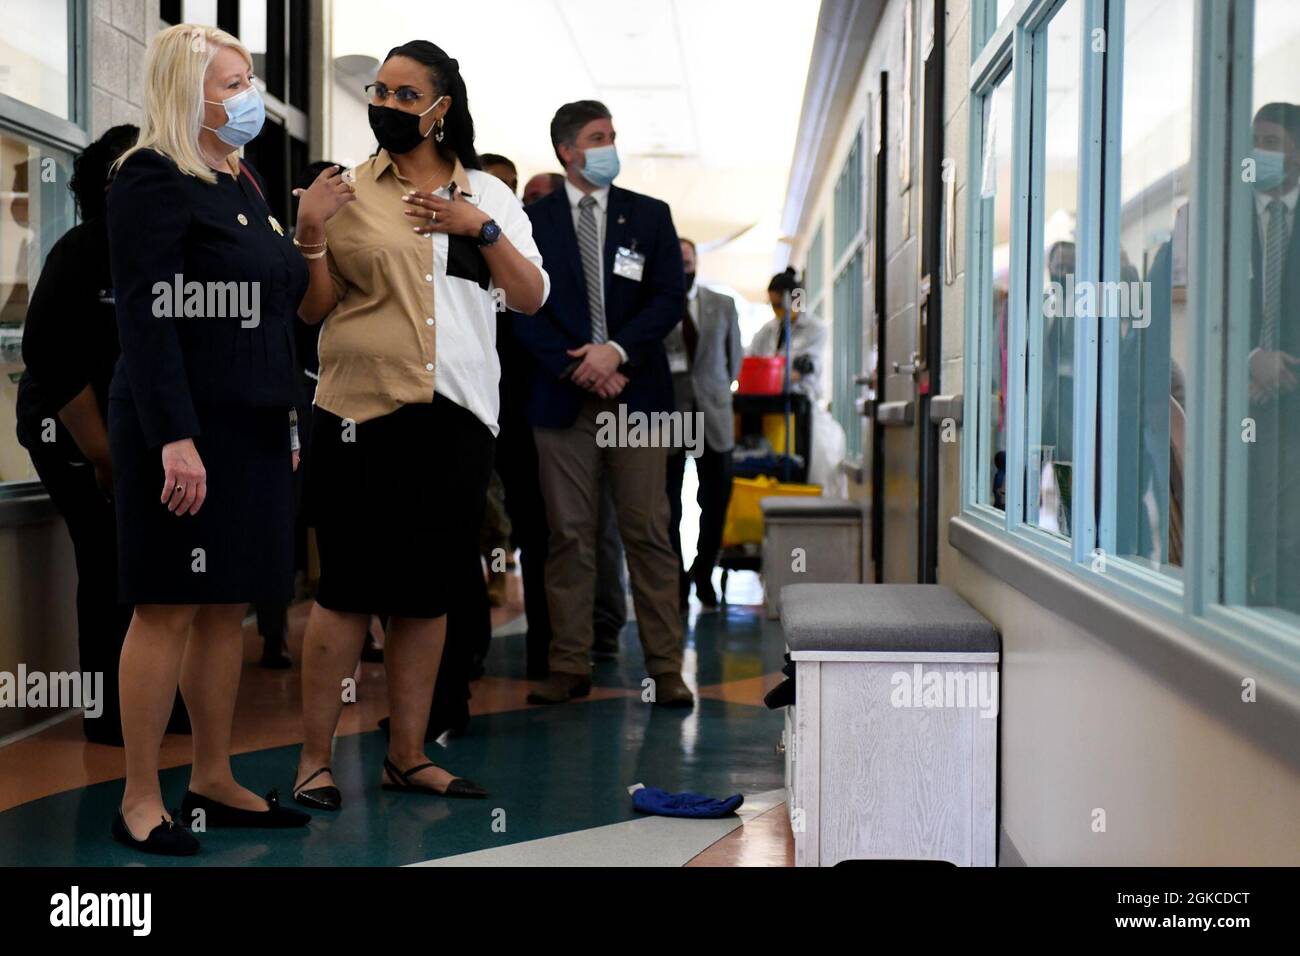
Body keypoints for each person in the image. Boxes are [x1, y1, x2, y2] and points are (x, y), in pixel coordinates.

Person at [292, 40, 547, 810]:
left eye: (408, 96)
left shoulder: (492, 200)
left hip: (457, 415)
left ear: (442, 109)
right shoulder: (342, 191)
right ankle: (314, 761)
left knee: (429, 594)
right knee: (345, 593)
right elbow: (312, 310)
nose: (389, 107)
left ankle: (408, 753)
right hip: (357, 413)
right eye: (382, 92)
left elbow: (532, 299)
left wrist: (480, 228)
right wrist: (308, 234)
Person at [106, 24, 312, 855]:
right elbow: (146, 316)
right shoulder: (150, 177)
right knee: (166, 605)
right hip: (182, 424)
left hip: (254, 420)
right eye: (230, 83)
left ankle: (214, 775)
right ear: (185, 92)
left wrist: (286, 414)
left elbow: (275, 316)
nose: (247, 94)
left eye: (248, 78)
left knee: (228, 606)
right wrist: (176, 439)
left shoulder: (245, 179)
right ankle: (140, 795)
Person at [16, 124, 190, 746]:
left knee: (153, 564)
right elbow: (50, 360)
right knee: (108, 557)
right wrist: (102, 454)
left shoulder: (168, 250)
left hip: (141, 431)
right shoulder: (83, 249)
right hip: (70, 425)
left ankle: (155, 698)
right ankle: (108, 713)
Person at [513, 99, 692, 707]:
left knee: (648, 530)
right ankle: (568, 664)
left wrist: (615, 352)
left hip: (637, 397)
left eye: (612, 134)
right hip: (562, 401)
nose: (610, 144)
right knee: (569, 535)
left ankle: (667, 669)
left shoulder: (650, 216)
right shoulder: (529, 221)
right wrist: (582, 364)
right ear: (568, 150)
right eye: (598, 136)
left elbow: (669, 297)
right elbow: (518, 304)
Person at [664, 238, 742, 608]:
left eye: (687, 257)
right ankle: (675, 580)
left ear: (696, 261)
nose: (683, 264)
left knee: (716, 498)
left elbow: (735, 360)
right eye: (675, 258)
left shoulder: (722, 304)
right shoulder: (659, 304)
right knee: (669, 504)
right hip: (671, 414)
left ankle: (703, 571)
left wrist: (716, 391)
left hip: (714, 414)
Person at [1245, 102, 1300, 613]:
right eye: (1254, 142)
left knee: (1289, 543)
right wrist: (1250, 360)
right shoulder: (1227, 222)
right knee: (1244, 532)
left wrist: (1283, 370)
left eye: (1271, 143)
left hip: (1294, 406)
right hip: (1242, 410)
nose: (1258, 154)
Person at [747, 266, 828, 400]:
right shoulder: (768, 330)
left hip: (800, 401)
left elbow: (808, 368)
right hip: (771, 401)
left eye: (779, 305)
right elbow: (751, 357)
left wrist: (769, 376)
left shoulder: (815, 329)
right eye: (772, 305)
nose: (775, 310)